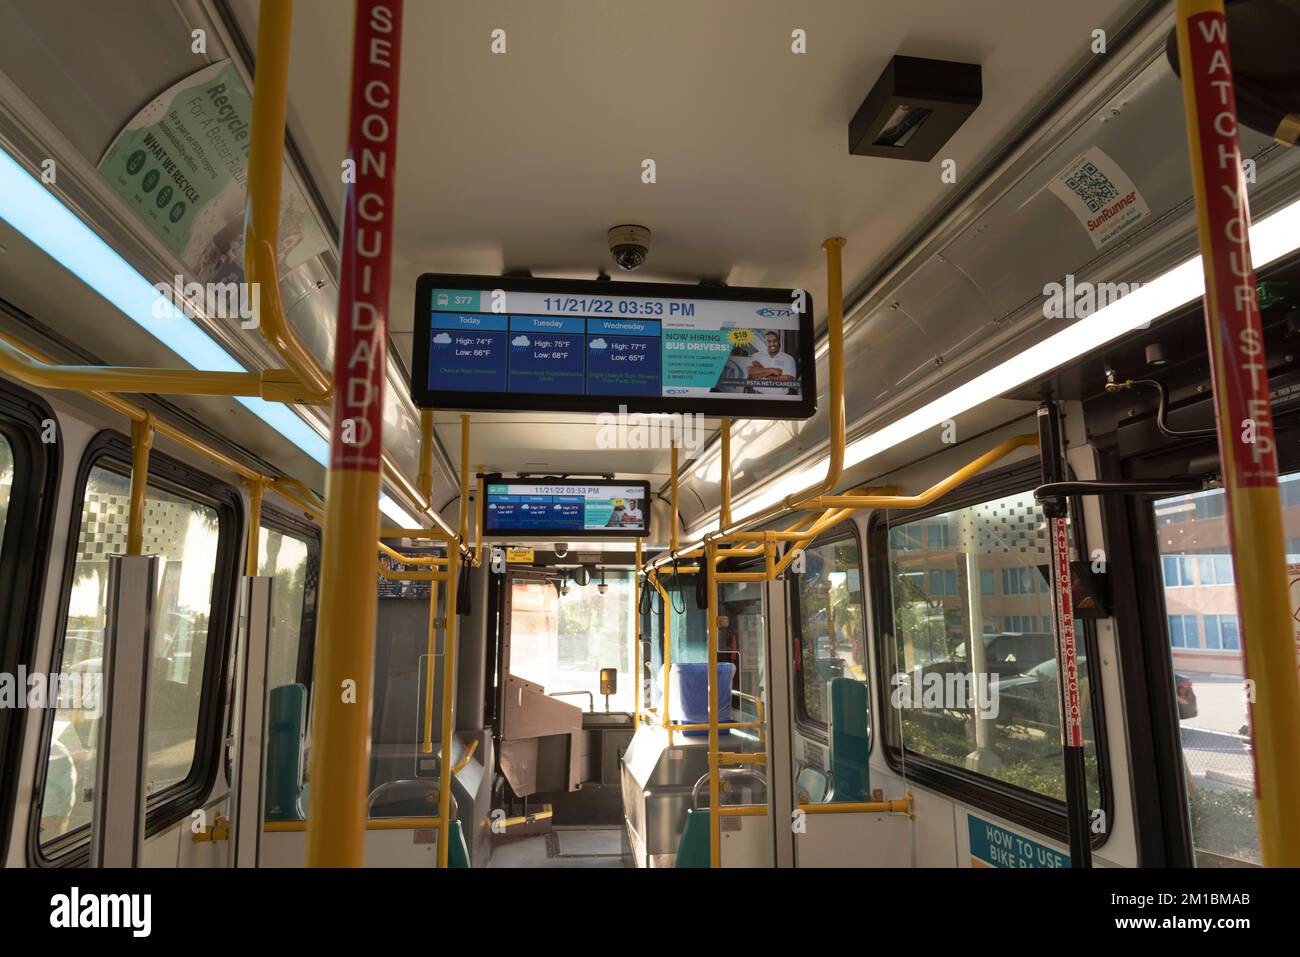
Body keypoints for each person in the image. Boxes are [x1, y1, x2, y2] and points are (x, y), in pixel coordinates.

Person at [747, 330, 797, 395]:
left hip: (780, 398)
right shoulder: (756, 356)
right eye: (769, 341)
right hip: (758, 396)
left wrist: (761, 372)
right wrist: (772, 370)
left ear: (779, 341)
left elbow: (790, 380)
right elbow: (751, 373)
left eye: (775, 341)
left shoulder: (788, 359)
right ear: (765, 343)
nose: (772, 344)